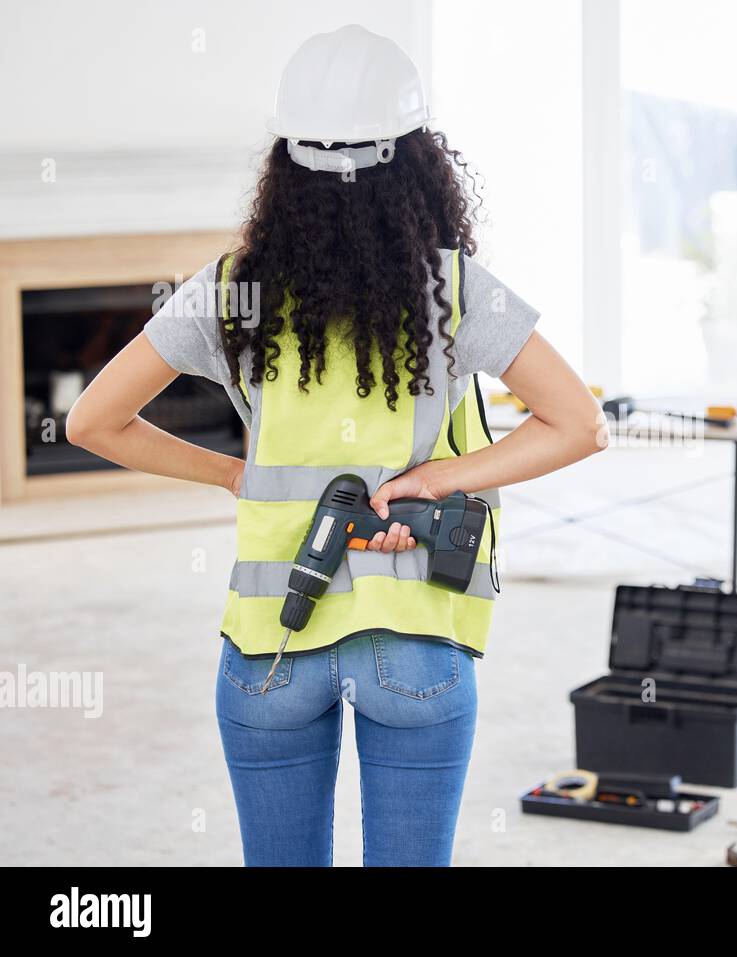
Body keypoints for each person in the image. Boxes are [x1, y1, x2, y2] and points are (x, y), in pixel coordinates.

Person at [65, 24, 604, 866]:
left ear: (284, 163)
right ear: (419, 163)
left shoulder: (229, 290)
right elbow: (579, 423)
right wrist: (440, 476)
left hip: (267, 655)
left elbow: (91, 421)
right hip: (413, 646)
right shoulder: (451, 291)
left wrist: (233, 474)